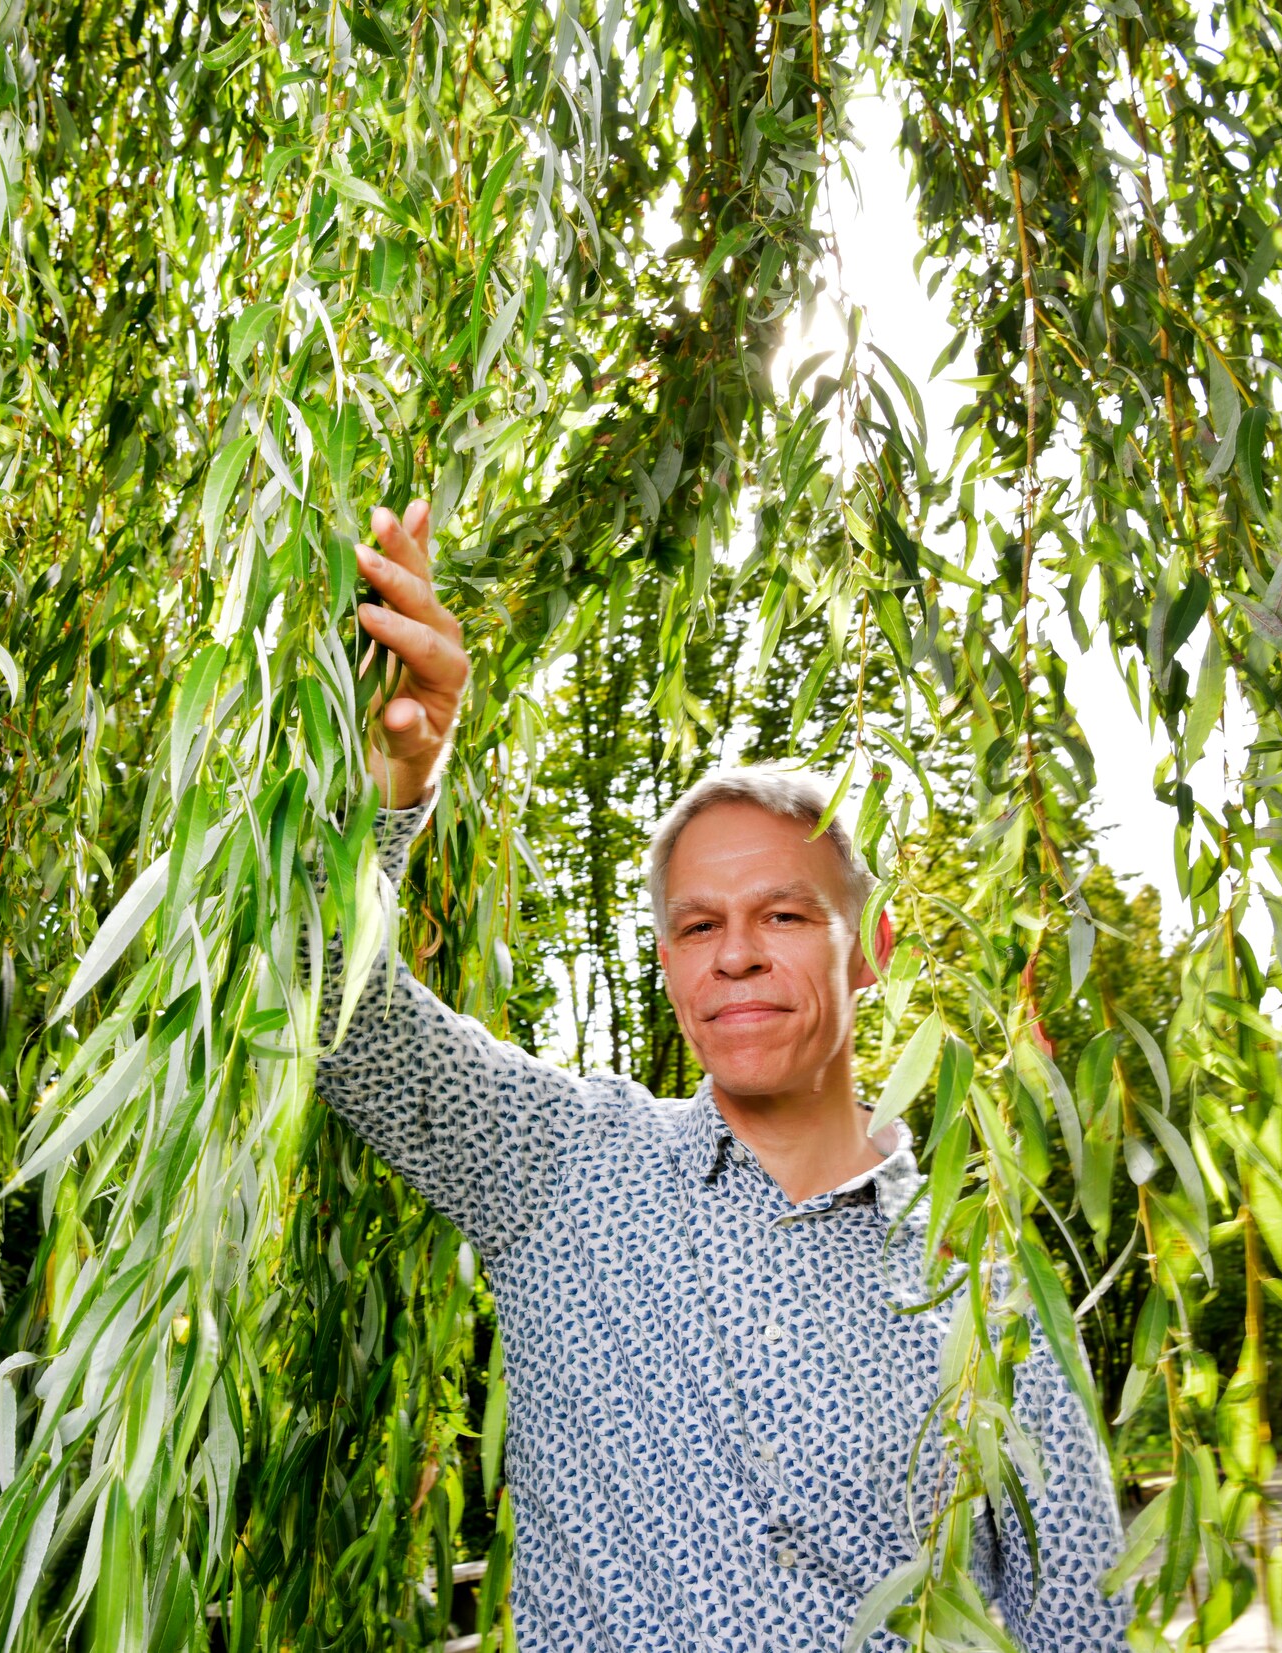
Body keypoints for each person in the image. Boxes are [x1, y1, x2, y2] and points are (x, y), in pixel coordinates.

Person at [325, 500, 1130, 1651]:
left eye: (784, 914)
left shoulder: (982, 1281)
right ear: (667, 967)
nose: (737, 953)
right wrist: (393, 789)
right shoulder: (554, 1166)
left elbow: (1076, 1617)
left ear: (872, 949)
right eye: (698, 926)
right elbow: (316, 1002)